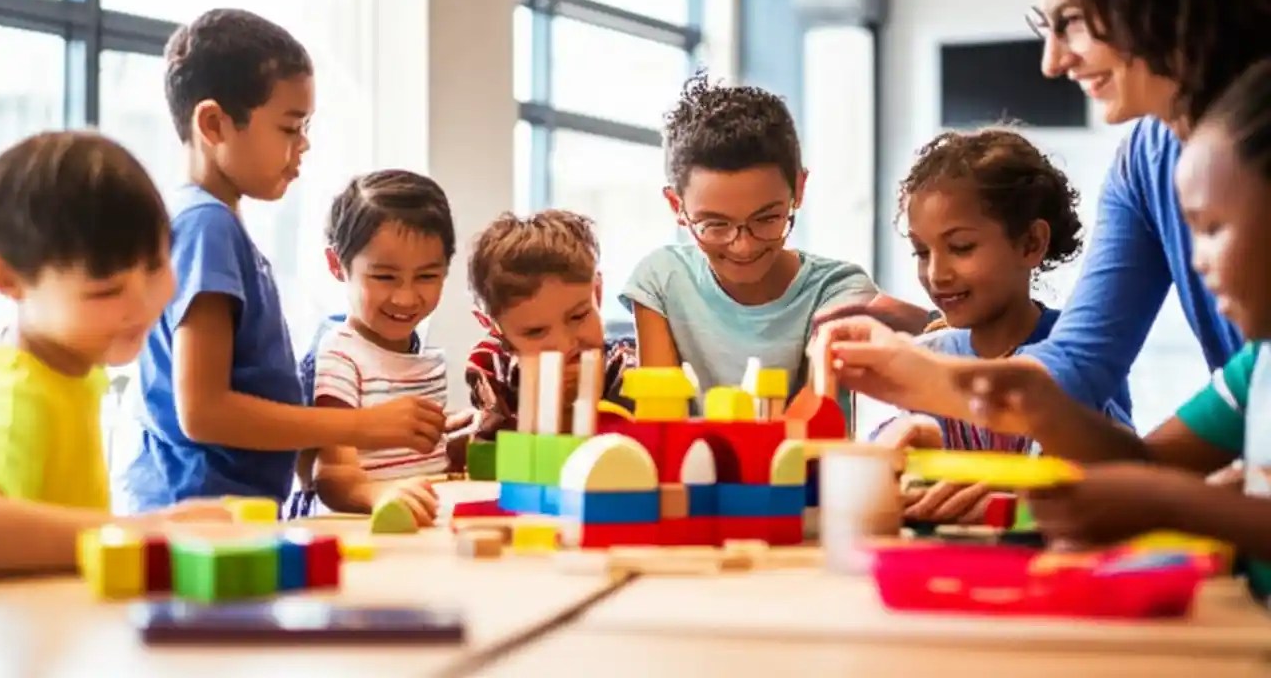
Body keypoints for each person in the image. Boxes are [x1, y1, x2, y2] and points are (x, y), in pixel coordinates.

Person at [813, 0, 1271, 424]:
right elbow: (1076, 366)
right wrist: (913, 366)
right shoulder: (1143, 160)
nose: (1052, 62)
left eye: (1071, 21)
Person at [930, 59, 1271, 601]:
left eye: (1213, 229)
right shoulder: (1255, 371)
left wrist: (1168, 502)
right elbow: (1146, 465)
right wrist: (1044, 412)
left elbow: (1155, 483)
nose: (1196, 262)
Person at [126, 9, 439, 513]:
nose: (303, 145)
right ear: (213, 123)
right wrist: (363, 425)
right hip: (198, 514)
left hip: (228, 511)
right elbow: (203, 412)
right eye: (290, 128)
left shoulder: (213, 224)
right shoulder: (207, 226)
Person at [0, 132, 230, 574]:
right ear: (8, 279)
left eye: (156, 267)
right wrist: (145, 532)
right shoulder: (14, 393)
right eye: (106, 290)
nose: (143, 304)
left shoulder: (72, 370)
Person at [872, 128, 1132, 523]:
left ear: (1031, 243)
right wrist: (890, 451)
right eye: (922, 252)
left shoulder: (1083, 357)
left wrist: (1008, 506)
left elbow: (1122, 481)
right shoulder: (929, 357)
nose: (936, 274)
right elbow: (891, 469)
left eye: (961, 247)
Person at [621, 73, 929, 401]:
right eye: (715, 225)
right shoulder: (662, 280)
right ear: (677, 206)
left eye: (767, 218)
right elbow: (660, 413)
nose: (744, 246)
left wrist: (927, 324)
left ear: (799, 189)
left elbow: (815, 419)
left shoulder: (833, 290)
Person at [287, 171, 458, 522]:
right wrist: (379, 494)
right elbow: (334, 474)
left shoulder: (418, 352)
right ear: (337, 264)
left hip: (419, 527)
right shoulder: (341, 356)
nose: (406, 297)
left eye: (427, 276)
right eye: (384, 277)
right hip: (368, 532)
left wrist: (455, 438)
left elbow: (416, 461)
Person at [466, 210, 636, 441]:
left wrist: (584, 404)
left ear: (597, 292)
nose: (564, 346)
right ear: (495, 329)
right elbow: (496, 451)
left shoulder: (628, 371)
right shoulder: (492, 367)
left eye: (578, 316)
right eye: (535, 332)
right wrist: (549, 408)